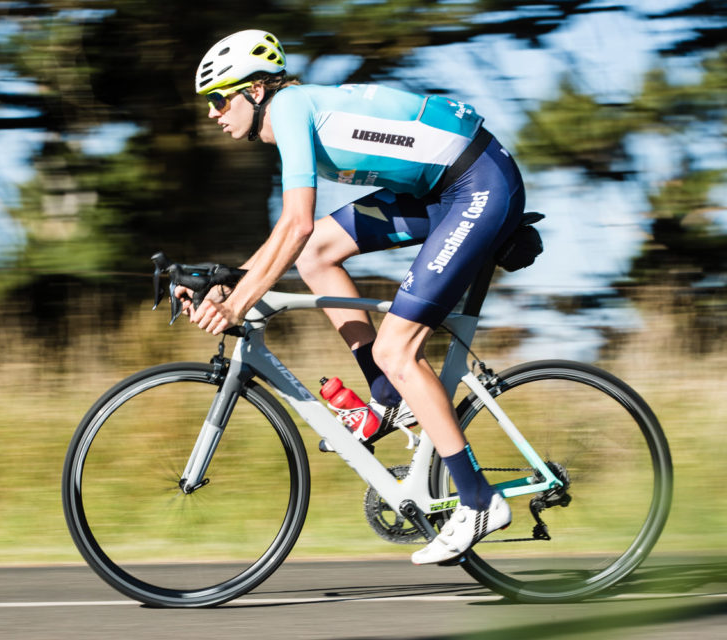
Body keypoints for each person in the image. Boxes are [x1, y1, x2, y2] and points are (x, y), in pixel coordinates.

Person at [183, 29, 525, 565]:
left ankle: (480, 501)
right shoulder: (291, 113)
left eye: (219, 99)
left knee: (397, 346)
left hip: (476, 185)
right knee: (317, 254)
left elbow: (294, 222)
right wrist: (230, 282)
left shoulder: (291, 106)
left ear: (253, 91)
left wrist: (240, 302)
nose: (212, 113)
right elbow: (297, 237)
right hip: (435, 189)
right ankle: (389, 399)